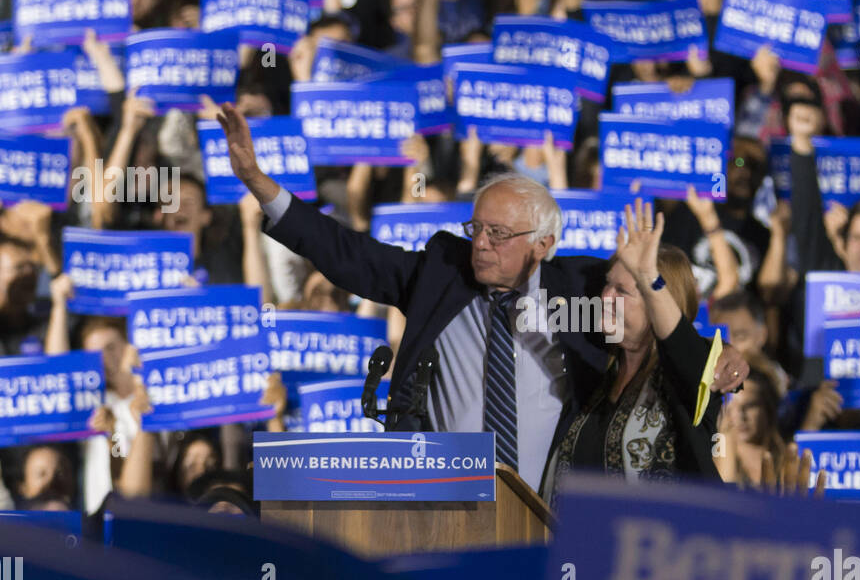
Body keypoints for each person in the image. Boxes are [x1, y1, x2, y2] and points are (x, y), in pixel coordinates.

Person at [215, 103, 748, 490]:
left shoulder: (583, 288)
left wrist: (723, 356)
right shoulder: (441, 274)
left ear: (543, 245)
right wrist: (259, 182)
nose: (482, 245)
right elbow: (347, 252)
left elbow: (655, 316)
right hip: (443, 501)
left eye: (500, 234)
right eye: (477, 229)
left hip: (545, 516)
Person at [543, 201, 723, 502]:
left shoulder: (683, 378)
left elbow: (684, 346)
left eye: (622, 291)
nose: (606, 297)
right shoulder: (600, 371)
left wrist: (648, 276)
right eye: (607, 285)